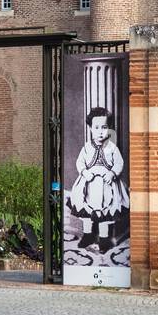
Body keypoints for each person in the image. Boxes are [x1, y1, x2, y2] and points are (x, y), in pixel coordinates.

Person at [66, 106, 127, 254]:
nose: (100, 131)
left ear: (109, 128)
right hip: (89, 186)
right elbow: (80, 162)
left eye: (104, 127)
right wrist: (85, 172)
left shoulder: (112, 148)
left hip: (107, 186)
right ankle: (88, 236)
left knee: (105, 214)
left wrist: (112, 173)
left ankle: (104, 240)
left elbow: (119, 163)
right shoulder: (87, 147)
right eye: (97, 127)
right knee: (87, 212)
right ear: (91, 128)